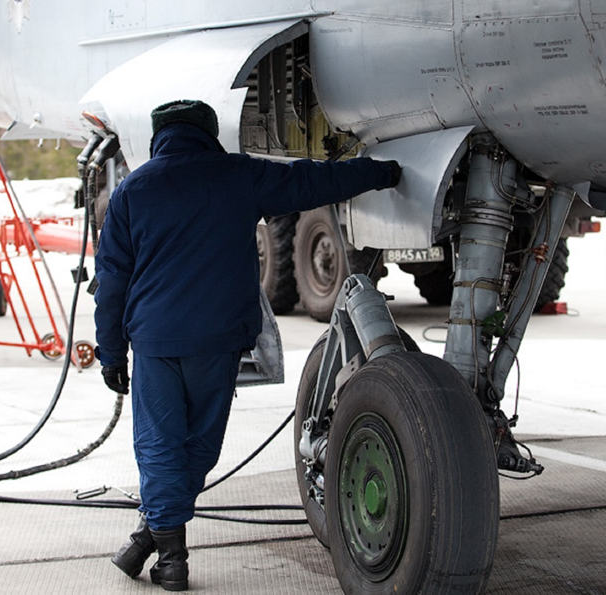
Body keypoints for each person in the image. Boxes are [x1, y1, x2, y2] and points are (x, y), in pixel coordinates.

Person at [93, 99, 402, 591]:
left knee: (159, 446)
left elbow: (111, 280)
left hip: (155, 343)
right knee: (199, 447)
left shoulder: (134, 190)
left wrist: (110, 352)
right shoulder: (237, 176)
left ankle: (161, 543)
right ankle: (166, 550)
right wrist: (381, 171)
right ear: (209, 133)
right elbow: (311, 182)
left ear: (158, 137)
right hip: (217, 342)